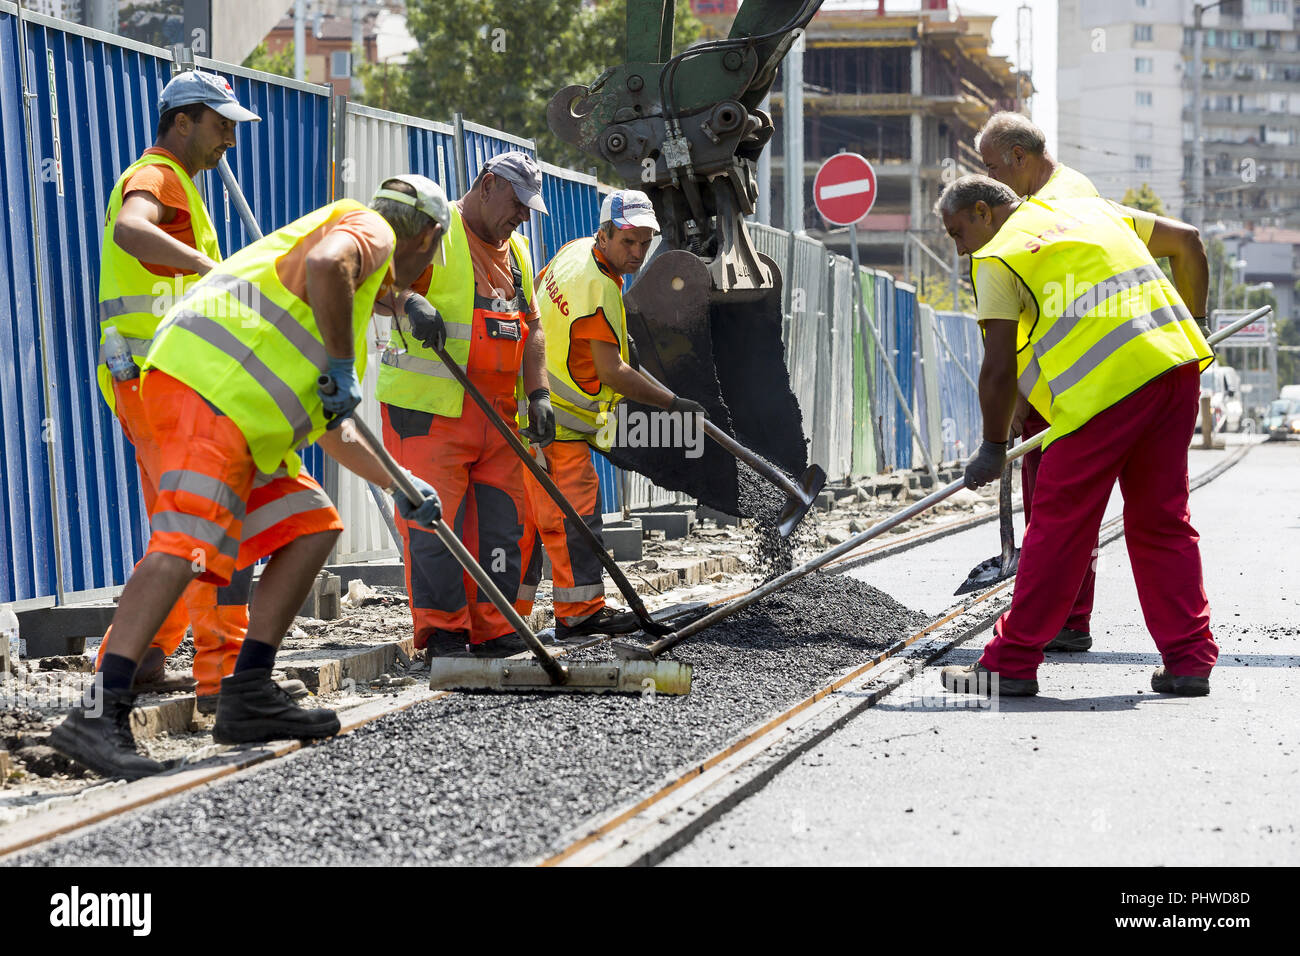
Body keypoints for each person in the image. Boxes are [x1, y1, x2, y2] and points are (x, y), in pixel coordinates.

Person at [51, 176, 450, 779]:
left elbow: (334, 431)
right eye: (425, 260)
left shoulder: (349, 296)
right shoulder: (370, 231)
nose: (413, 279)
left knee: (312, 525)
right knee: (183, 547)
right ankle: (96, 713)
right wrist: (342, 363)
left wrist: (399, 482)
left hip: (240, 427)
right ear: (427, 234)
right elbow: (325, 261)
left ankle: (248, 693)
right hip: (204, 396)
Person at [934, 175, 1216, 698]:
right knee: (1163, 520)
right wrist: (1197, 321)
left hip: (1107, 393)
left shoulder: (998, 254)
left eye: (956, 233)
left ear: (983, 213)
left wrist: (992, 447)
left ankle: (1011, 664)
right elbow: (1188, 240)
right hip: (1175, 369)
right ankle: (1189, 659)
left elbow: (997, 368)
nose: (958, 247)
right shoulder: (1092, 210)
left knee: (1058, 524)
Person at [94, 69, 264, 710]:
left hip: (161, 384)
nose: (230, 140)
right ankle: (224, 679)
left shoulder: (183, 187)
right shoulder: (158, 177)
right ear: (182, 120)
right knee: (208, 524)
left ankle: (138, 656)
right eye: (222, 126)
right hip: (161, 384)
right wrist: (207, 267)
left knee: (181, 525)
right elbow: (130, 230)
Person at [376, 151, 553, 659]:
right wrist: (407, 301)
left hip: (496, 417)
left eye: (527, 208)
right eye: (517, 203)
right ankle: (443, 633)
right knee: (433, 527)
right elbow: (370, 285)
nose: (521, 216)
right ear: (488, 183)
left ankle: (495, 627)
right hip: (430, 412)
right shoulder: (435, 230)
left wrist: (537, 392)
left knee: (501, 524)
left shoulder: (516, 252)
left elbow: (533, 326)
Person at [522, 190, 707, 641]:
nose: (638, 254)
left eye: (645, 243)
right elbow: (612, 372)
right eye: (628, 241)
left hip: (525, 409)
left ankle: (503, 621)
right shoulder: (600, 284)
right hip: (556, 422)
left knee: (526, 524)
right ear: (604, 233)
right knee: (575, 516)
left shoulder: (573, 253)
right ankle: (581, 613)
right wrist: (671, 403)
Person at [972, 111, 1102, 653]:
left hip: (1068, 383)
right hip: (1056, 381)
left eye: (992, 166)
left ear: (1019, 159)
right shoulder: (1070, 192)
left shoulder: (1050, 209)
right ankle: (1068, 615)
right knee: (1058, 508)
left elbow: (1046, 314)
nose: (990, 175)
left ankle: (1055, 624)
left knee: (1057, 511)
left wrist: (1011, 411)